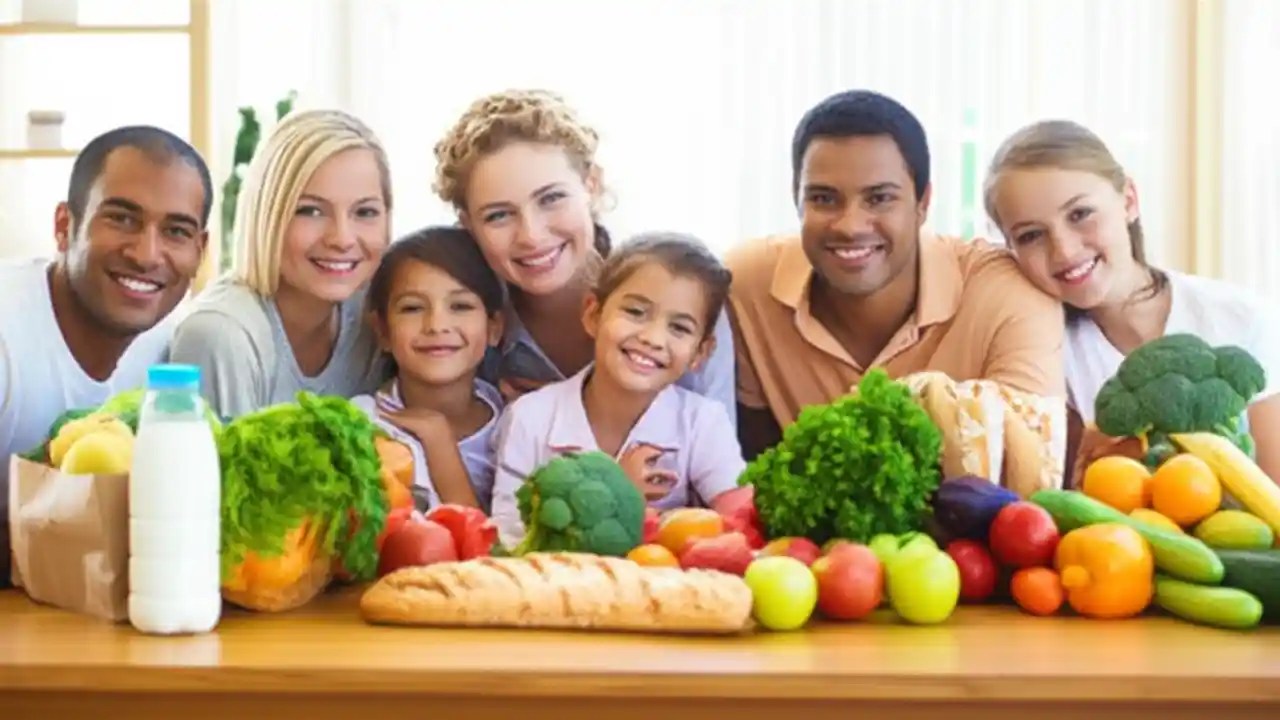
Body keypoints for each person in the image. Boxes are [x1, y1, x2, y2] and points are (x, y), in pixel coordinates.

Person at [726, 89, 1066, 460]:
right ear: (796, 199)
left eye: (879, 198)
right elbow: (746, 465)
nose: (850, 226)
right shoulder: (746, 285)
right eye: (823, 198)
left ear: (923, 203)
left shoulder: (1004, 296)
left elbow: (1029, 466)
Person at [983, 119, 1280, 481]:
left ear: (1128, 201)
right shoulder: (1043, 355)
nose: (1064, 250)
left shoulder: (1241, 319)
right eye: (1031, 235)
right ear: (1011, 250)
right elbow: (1059, 497)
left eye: (1080, 214)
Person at [431, 89, 737, 424]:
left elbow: (717, 461)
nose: (531, 235)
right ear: (469, 226)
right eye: (498, 216)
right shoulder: (461, 328)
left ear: (591, 185)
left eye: (551, 199)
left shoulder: (684, 296)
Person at [0, 125, 212, 585]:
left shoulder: (171, 354)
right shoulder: (7, 334)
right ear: (64, 226)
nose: (146, 254)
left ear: (201, 250)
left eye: (176, 231)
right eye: (122, 219)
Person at [489, 232, 746, 549]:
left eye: (679, 328)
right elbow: (508, 539)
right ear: (593, 315)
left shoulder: (702, 422)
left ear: (700, 354)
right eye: (636, 312)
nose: (653, 338)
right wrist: (616, 491)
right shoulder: (530, 417)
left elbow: (739, 520)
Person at [169, 109, 391, 419]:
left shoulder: (379, 316)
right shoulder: (220, 336)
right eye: (311, 211)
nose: (342, 238)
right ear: (267, 216)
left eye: (365, 212)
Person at [350, 226, 506, 512]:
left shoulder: (513, 421)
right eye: (412, 308)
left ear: (494, 328)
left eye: (460, 306)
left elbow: (501, 552)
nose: (436, 324)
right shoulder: (360, 426)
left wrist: (439, 441)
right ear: (382, 331)